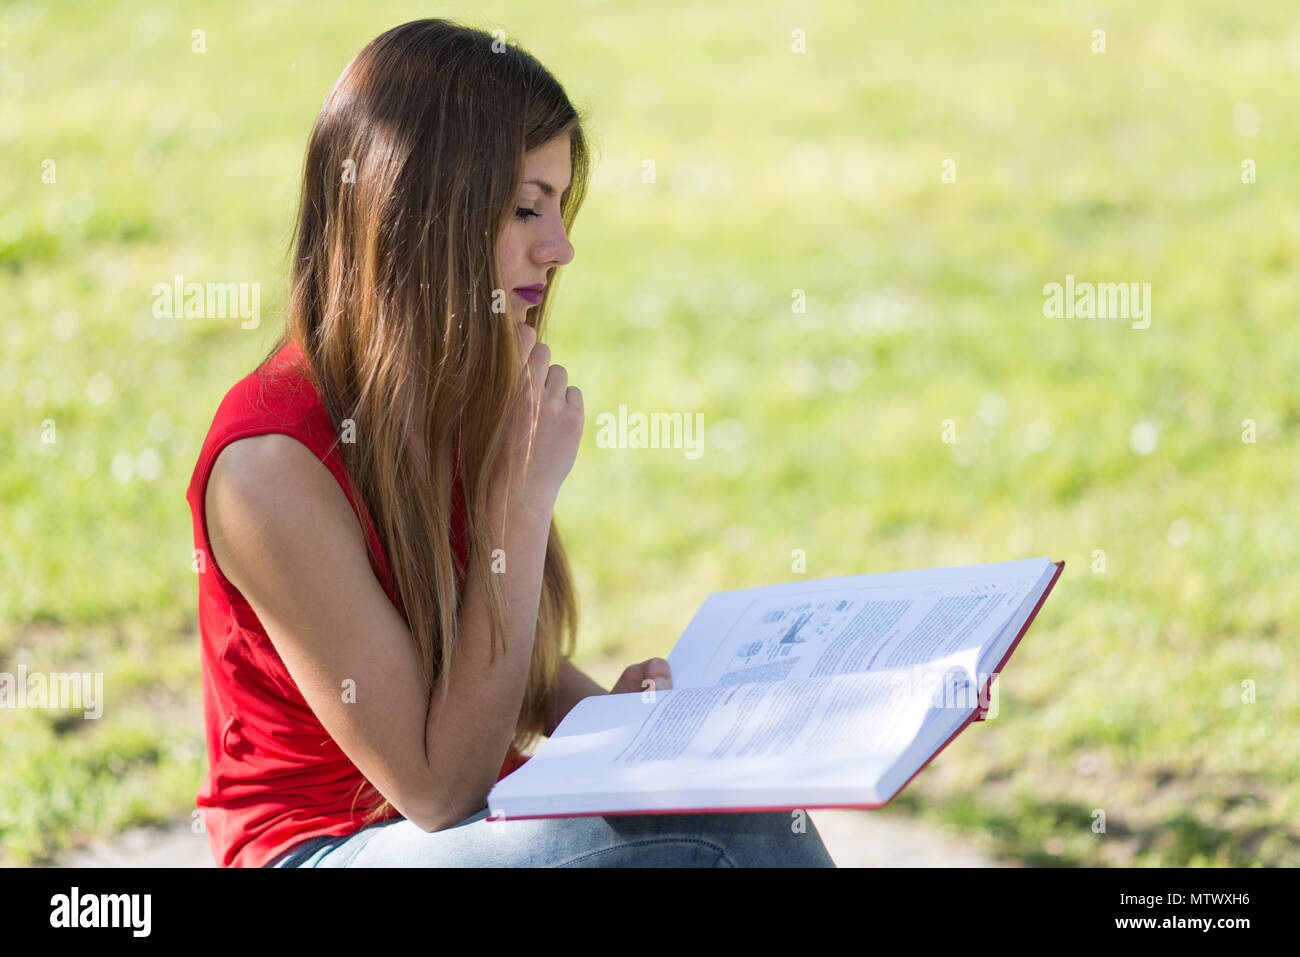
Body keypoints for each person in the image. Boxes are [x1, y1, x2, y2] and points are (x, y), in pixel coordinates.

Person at [185, 17, 834, 868]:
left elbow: (489, 672)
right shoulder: (268, 468)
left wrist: (611, 719)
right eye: (525, 207)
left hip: (474, 811)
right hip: (331, 846)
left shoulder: (457, 385)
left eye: (560, 207)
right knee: (728, 836)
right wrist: (518, 508)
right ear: (417, 212)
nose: (559, 247)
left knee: (728, 805)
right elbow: (435, 788)